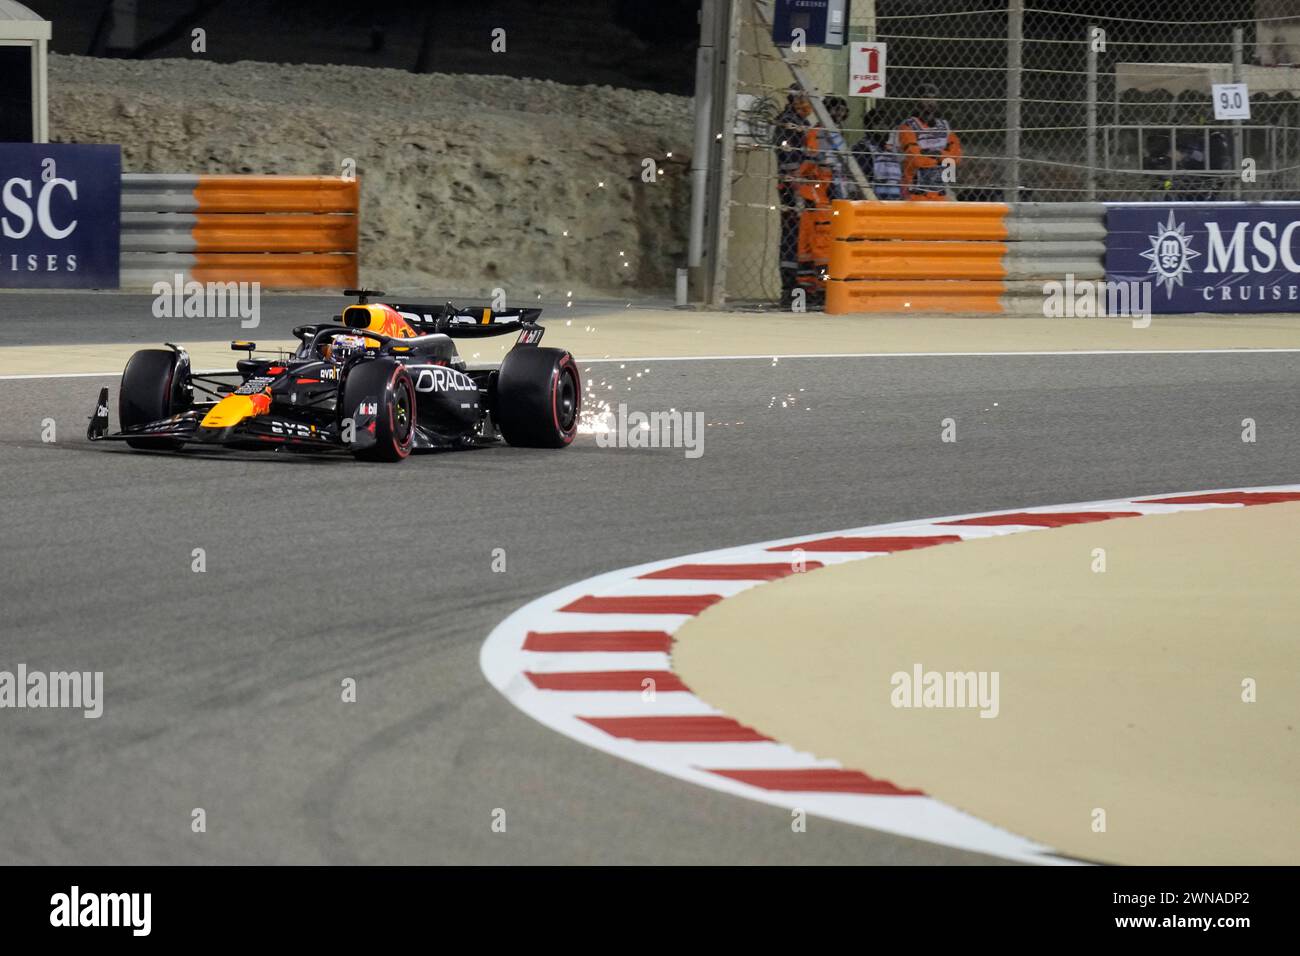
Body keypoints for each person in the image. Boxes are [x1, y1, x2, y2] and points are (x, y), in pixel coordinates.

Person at [896, 83, 962, 201]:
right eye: (926, 97)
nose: (930, 101)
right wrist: (942, 157)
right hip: (915, 192)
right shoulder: (907, 126)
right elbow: (916, 160)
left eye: (933, 97)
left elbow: (956, 159)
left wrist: (934, 153)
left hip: (940, 193)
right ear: (917, 100)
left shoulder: (944, 126)